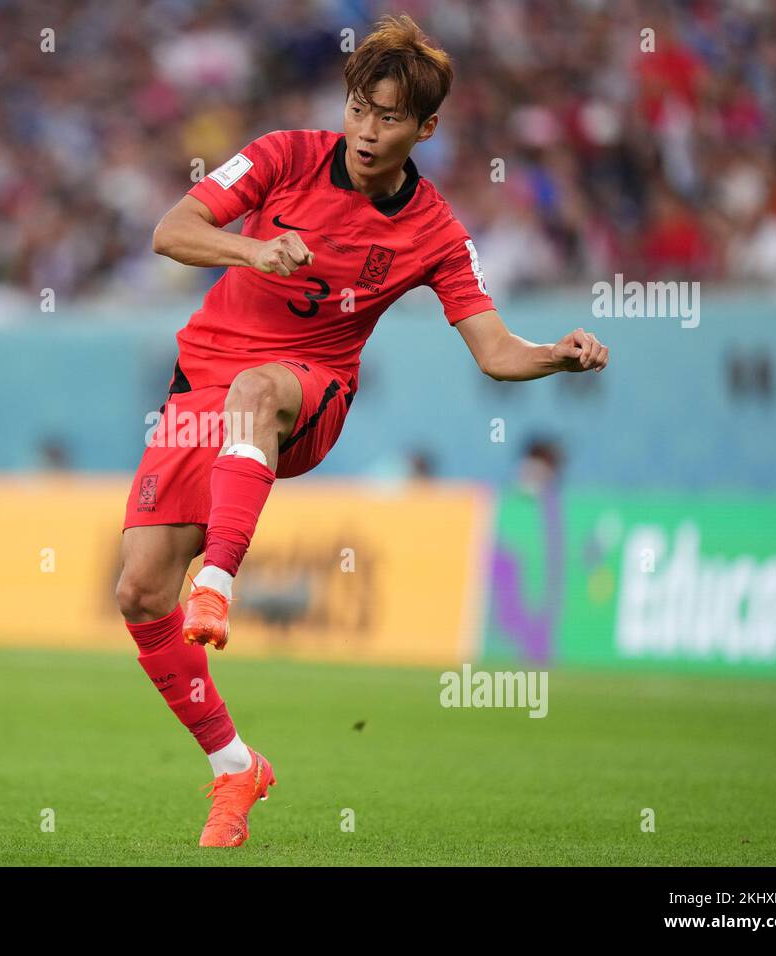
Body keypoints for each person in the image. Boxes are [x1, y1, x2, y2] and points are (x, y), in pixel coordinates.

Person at [114, 15, 609, 848]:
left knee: (259, 386)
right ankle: (236, 767)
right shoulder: (281, 155)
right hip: (196, 384)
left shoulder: (436, 232)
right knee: (138, 593)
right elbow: (171, 231)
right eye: (359, 109)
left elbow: (494, 352)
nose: (369, 131)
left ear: (426, 129)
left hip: (307, 396)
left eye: (389, 118)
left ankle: (221, 584)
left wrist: (555, 356)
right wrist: (253, 253)